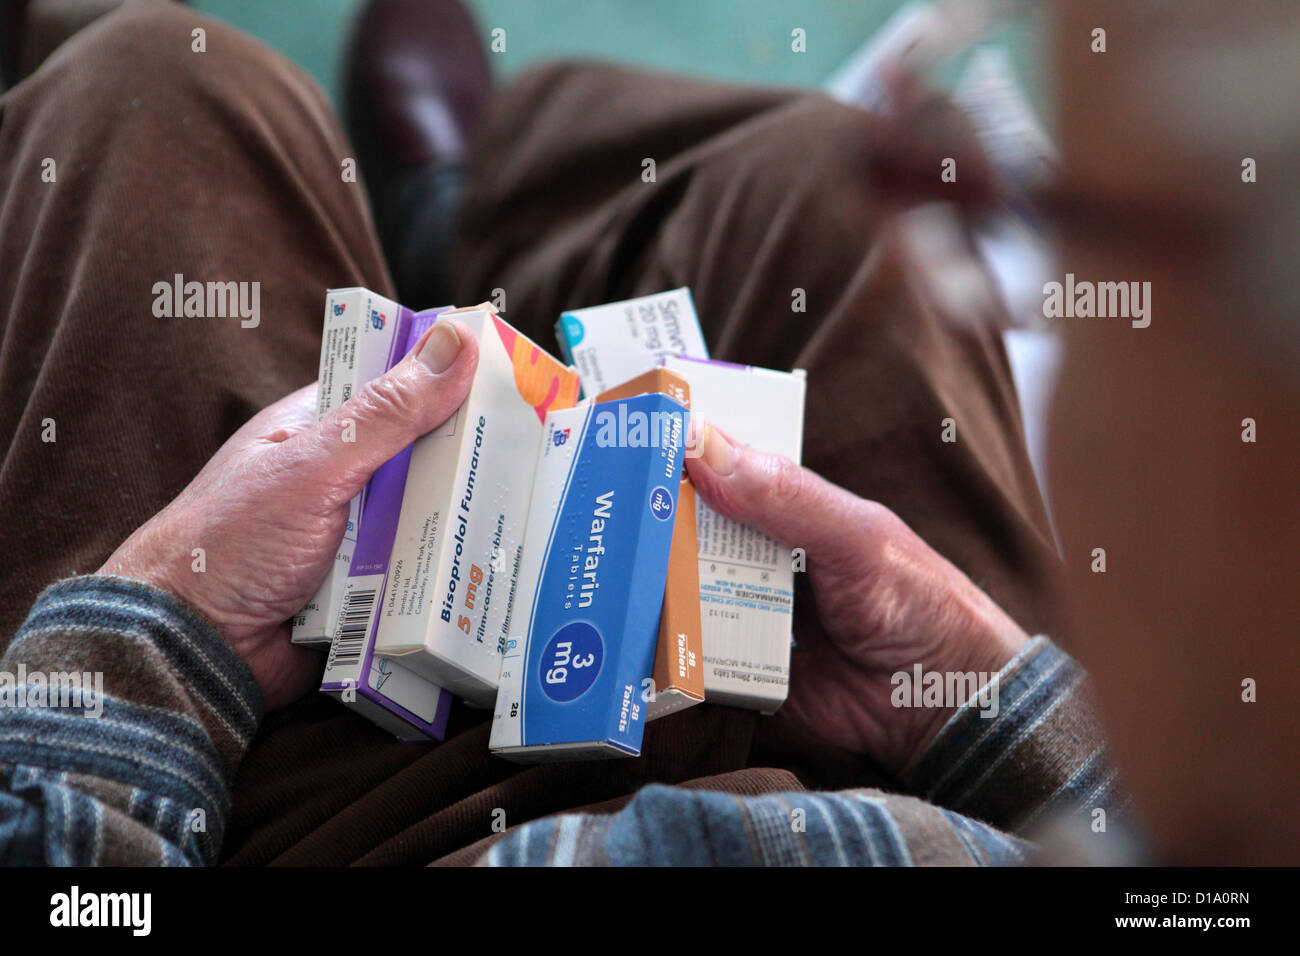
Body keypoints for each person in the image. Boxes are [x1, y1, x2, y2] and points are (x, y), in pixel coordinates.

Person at [0, 0, 1293, 866]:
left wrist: (160, 627)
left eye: (1038, 213)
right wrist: (986, 704)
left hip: (392, 831)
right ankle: (467, 227)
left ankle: (442, 229)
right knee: (831, 186)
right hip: (899, 764)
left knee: (154, 94)